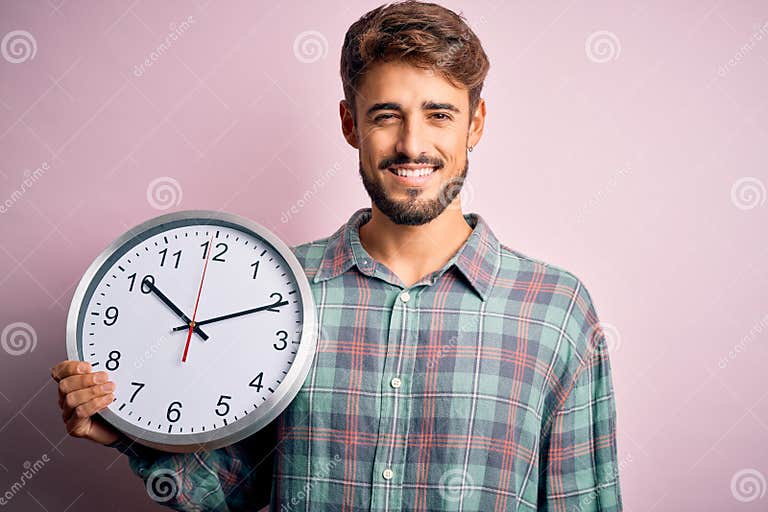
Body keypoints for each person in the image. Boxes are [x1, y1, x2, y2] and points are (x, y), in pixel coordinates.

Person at [50, 1, 623, 510]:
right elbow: (233, 491)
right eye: (386, 115)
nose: (412, 144)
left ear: (475, 124)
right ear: (351, 124)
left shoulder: (556, 311)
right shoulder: (273, 292)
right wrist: (124, 429)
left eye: (439, 114)